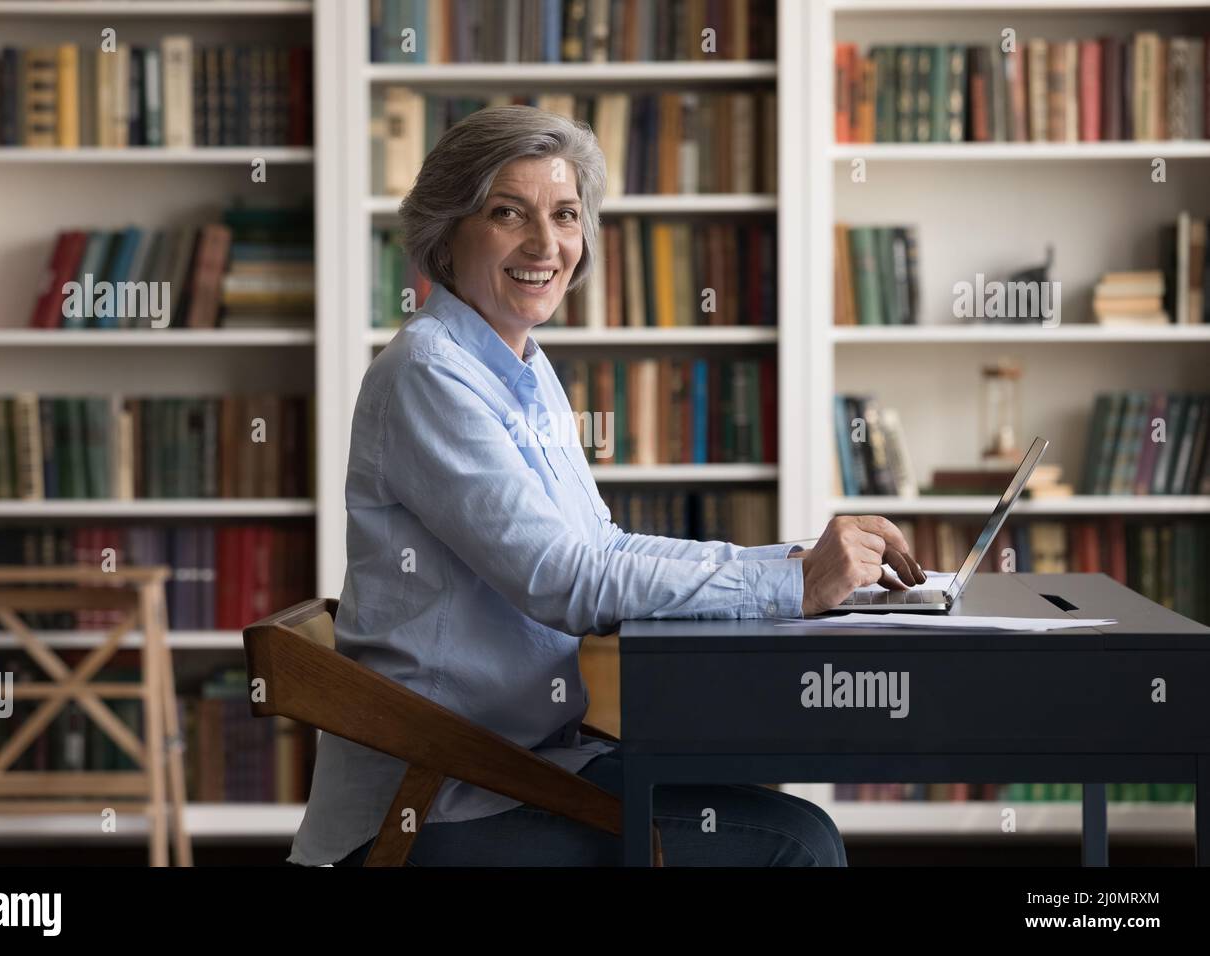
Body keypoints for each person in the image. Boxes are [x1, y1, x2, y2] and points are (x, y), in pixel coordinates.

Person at [290, 105, 926, 867]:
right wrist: (795, 587)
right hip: (434, 800)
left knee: (798, 827)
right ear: (446, 233)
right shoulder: (430, 372)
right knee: (794, 844)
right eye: (507, 213)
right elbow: (565, 580)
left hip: (523, 764)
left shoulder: (521, 363)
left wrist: (795, 565)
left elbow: (603, 546)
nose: (545, 244)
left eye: (564, 214)